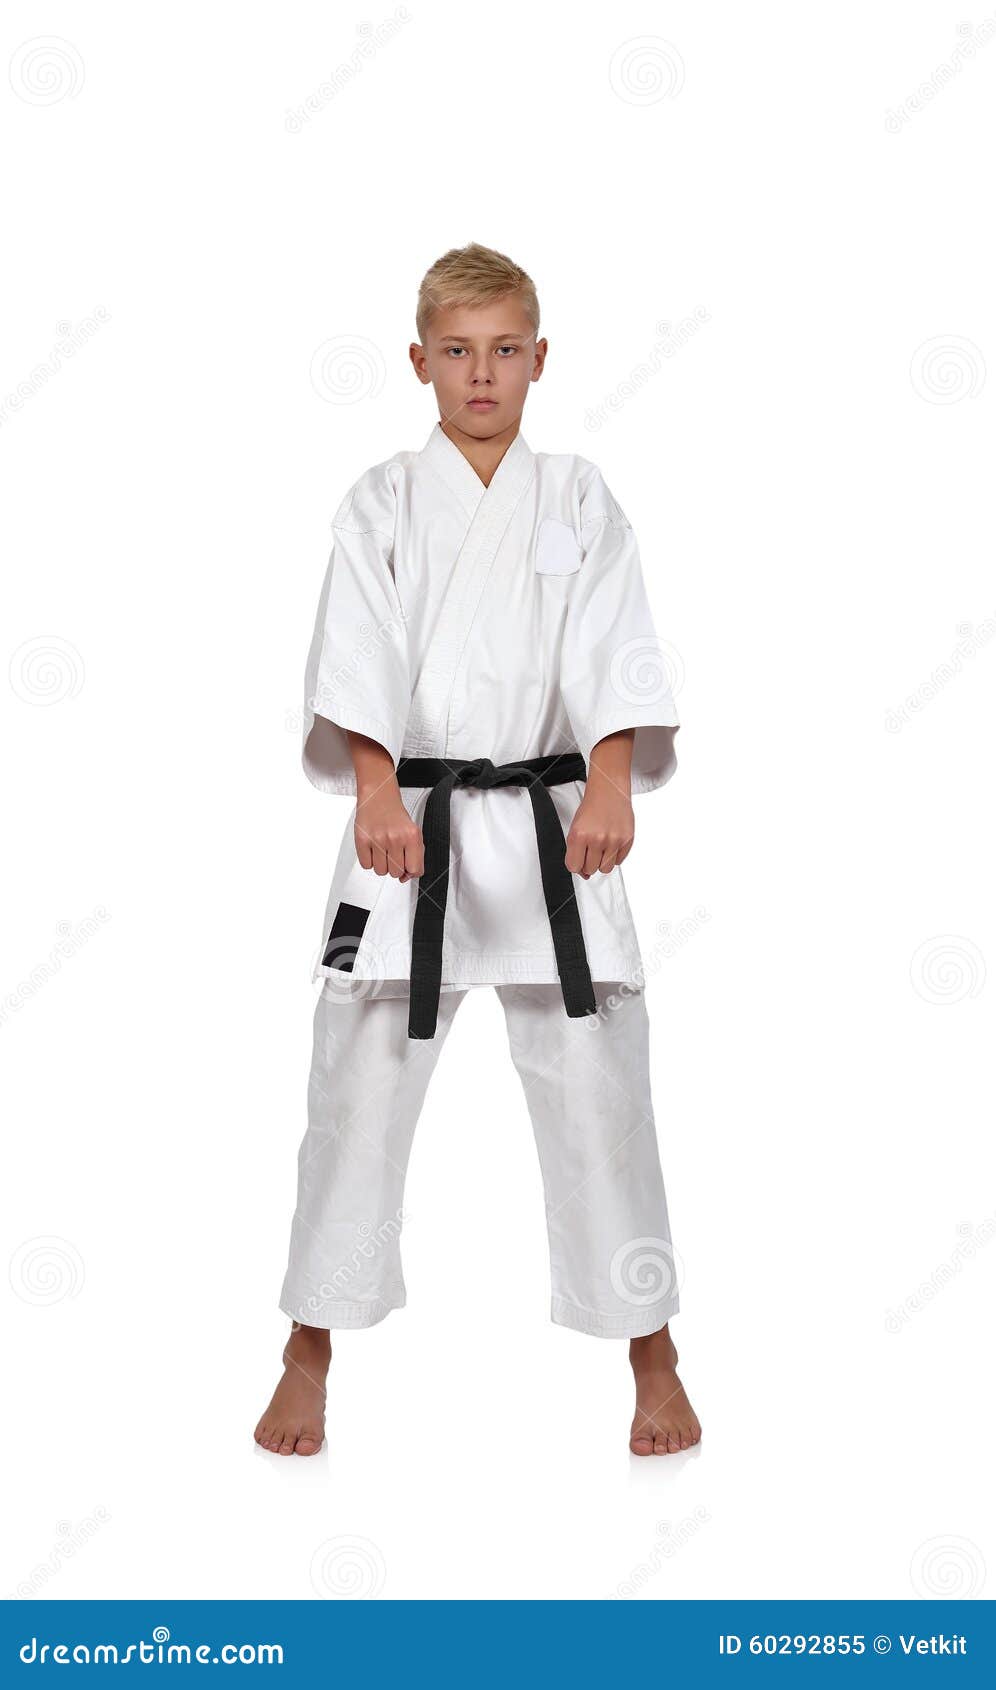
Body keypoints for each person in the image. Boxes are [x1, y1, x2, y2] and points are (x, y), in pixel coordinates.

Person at [254, 242, 701, 1459]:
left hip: (556, 826)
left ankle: (653, 1353)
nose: (482, 373)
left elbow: (616, 644)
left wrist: (611, 778)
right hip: (409, 822)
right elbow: (354, 650)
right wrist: (374, 787)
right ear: (420, 362)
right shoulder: (382, 502)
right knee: (353, 1094)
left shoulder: (579, 498)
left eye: (505, 349)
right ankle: (307, 1350)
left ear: (540, 358)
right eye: (458, 351)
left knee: (605, 1093)